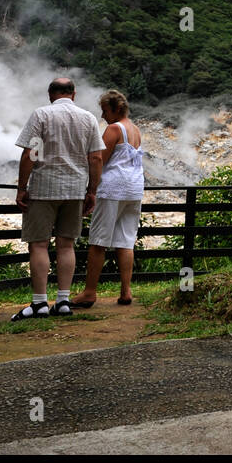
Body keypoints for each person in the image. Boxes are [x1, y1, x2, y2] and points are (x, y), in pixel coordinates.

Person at [12, 77, 104, 320]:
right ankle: (63, 301)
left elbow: (30, 154)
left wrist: (22, 188)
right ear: (73, 94)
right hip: (75, 190)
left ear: (50, 94)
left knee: (39, 244)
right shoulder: (89, 118)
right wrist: (92, 191)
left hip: (44, 188)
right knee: (66, 245)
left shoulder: (41, 115)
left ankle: (39, 303)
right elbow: (96, 158)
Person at [71, 89, 144, 307]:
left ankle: (90, 292)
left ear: (115, 109)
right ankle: (126, 291)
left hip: (113, 189)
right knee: (125, 241)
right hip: (134, 189)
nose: (102, 115)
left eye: (105, 110)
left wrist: (90, 189)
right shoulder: (136, 129)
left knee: (98, 242)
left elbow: (98, 160)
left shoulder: (114, 129)